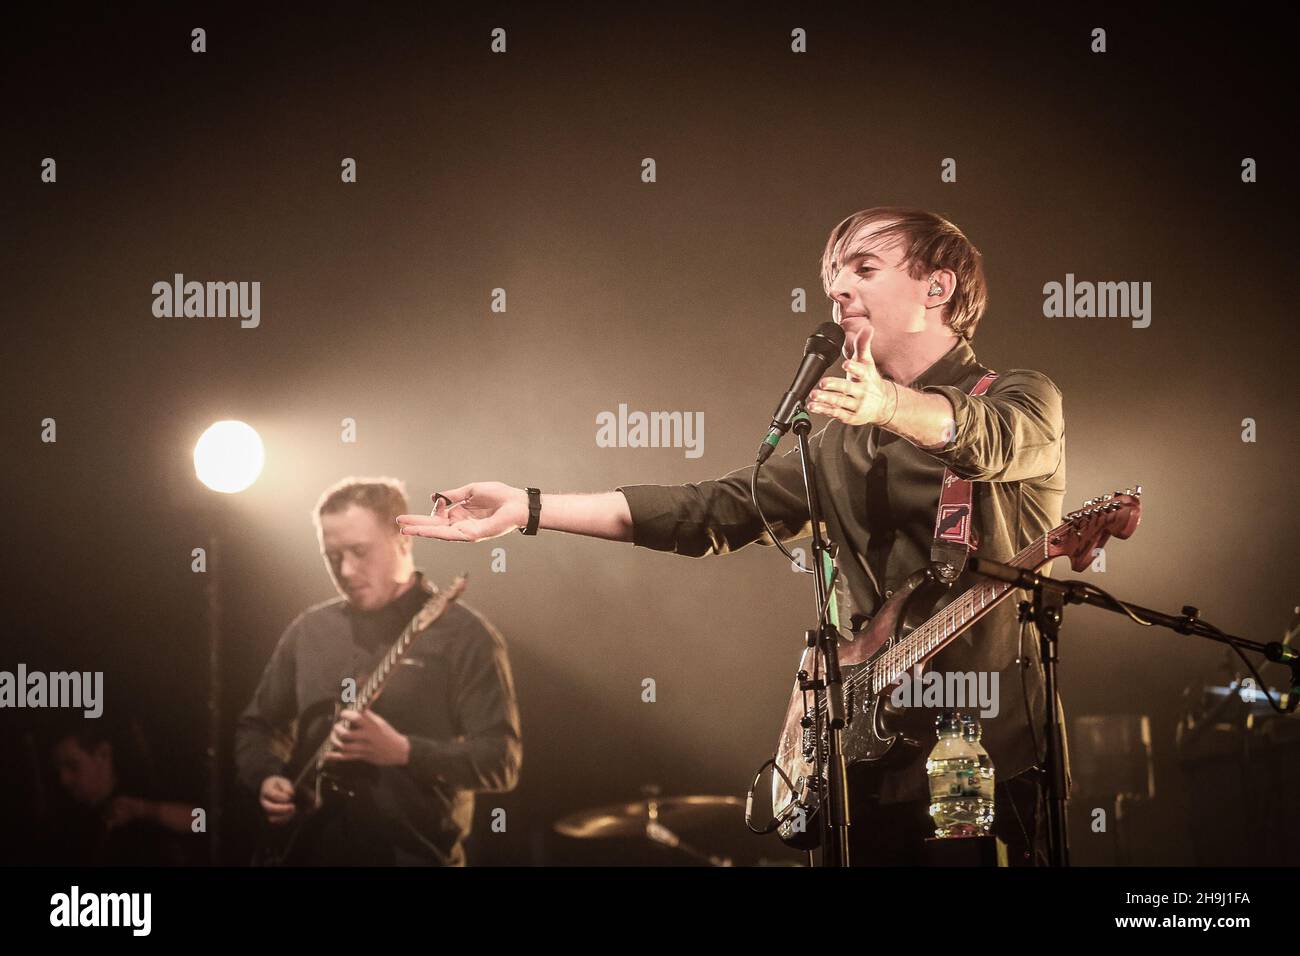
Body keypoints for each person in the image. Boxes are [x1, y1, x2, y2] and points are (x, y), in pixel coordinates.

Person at [397, 207, 1067, 866]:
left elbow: (991, 438)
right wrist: (528, 507)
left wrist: (887, 405)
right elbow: (710, 512)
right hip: (852, 757)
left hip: (981, 751)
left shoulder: (1023, 395)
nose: (838, 289)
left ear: (938, 287)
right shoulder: (836, 439)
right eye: (833, 274)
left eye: (864, 268)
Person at [235, 476, 522, 866]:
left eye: (359, 551)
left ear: (404, 538)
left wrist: (405, 752)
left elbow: (500, 762)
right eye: (332, 556)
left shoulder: (464, 636)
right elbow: (259, 726)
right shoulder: (310, 630)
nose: (346, 570)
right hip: (304, 854)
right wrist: (267, 776)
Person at [45, 720, 198, 865]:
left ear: (103, 754)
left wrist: (143, 810)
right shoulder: (68, 822)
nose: (63, 780)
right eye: (59, 770)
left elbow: (203, 821)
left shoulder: (146, 791)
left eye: (72, 766)